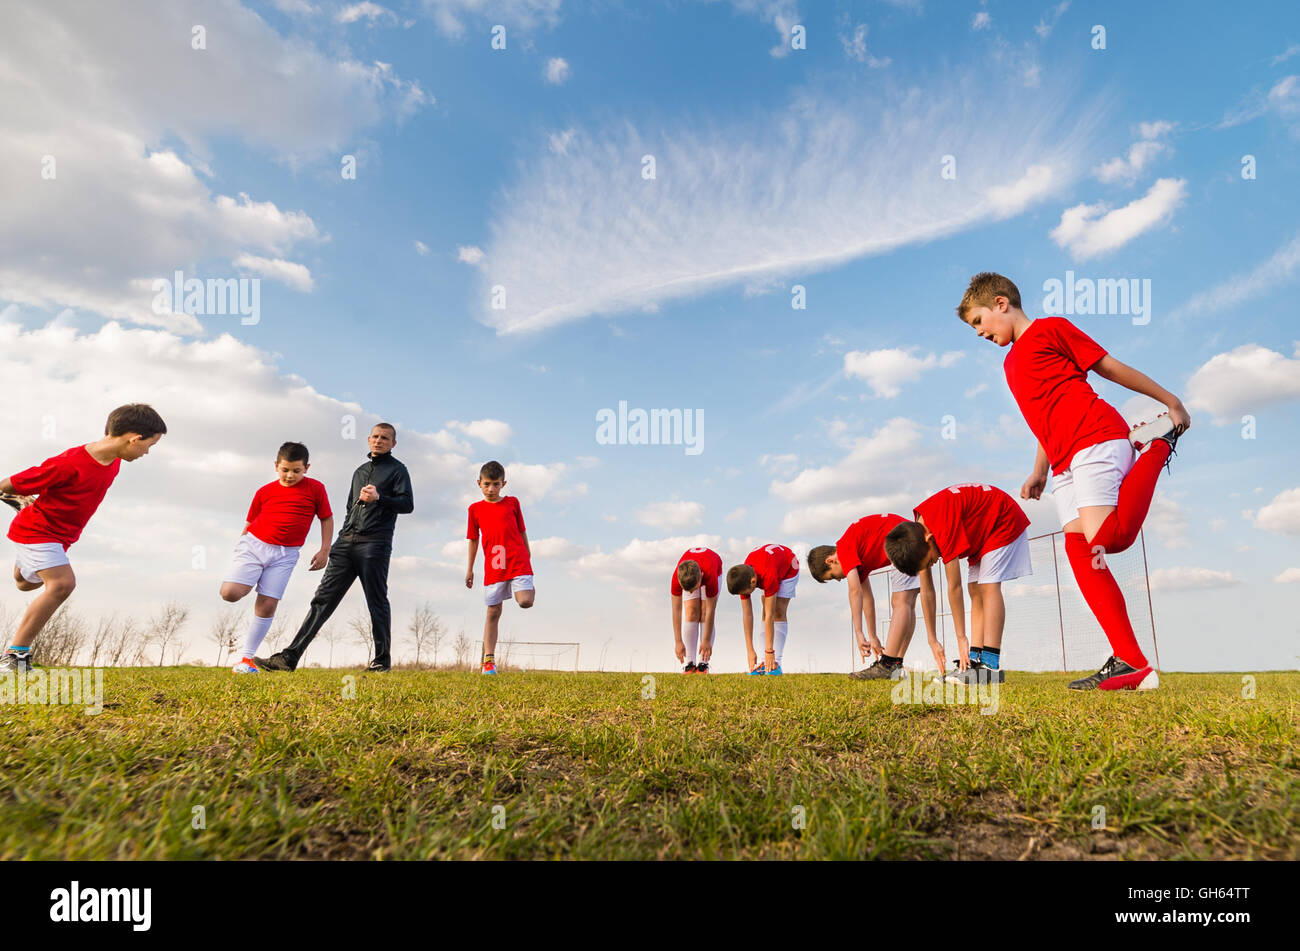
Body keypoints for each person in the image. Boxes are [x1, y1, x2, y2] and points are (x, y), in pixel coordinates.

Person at [956, 272, 1188, 690]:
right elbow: (1043, 418)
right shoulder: (1010, 364)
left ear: (1001, 303)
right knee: (1081, 550)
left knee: (1109, 539)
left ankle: (1156, 446)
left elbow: (1109, 368)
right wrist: (1039, 470)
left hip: (1096, 436)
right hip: (1063, 461)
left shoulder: (1051, 329)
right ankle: (1131, 662)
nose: (979, 332)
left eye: (978, 321)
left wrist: (1169, 401)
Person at [0, 403, 166, 672]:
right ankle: (15, 657)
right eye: (149, 445)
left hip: (61, 537)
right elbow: (7, 484)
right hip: (37, 531)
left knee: (24, 583)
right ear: (134, 439)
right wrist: (14, 498)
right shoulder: (69, 463)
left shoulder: (112, 462)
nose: (147, 452)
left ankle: (24, 567)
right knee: (62, 584)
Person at [257, 423, 412, 672]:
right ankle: (289, 658)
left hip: (375, 544)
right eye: (375, 436)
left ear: (393, 444)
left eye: (385, 438)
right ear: (368, 439)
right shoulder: (359, 471)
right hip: (345, 543)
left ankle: (381, 662)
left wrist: (380, 498)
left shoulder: (398, 470)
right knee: (322, 600)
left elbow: (407, 504)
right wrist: (340, 536)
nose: (379, 441)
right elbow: (351, 506)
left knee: (376, 601)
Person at [885, 483, 1032, 685]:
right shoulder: (917, 535)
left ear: (929, 539)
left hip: (1002, 519)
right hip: (982, 530)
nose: (933, 563)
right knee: (975, 590)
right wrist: (932, 639)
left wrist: (961, 637)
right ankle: (972, 662)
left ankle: (989, 665)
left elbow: (954, 586)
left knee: (987, 587)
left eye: (929, 561)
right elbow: (927, 592)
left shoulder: (940, 525)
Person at [220, 442, 332, 674]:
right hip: (254, 545)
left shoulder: (316, 489)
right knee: (229, 593)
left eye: (296, 471)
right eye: (285, 470)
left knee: (268, 603)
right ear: (276, 466)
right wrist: (241, 547)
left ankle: (246, 660)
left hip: (285, 554)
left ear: (306, 468)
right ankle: (252, 578)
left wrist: (325, 550)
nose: (290, 475)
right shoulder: (264, 491)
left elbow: (326, 518)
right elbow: (250, 522)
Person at [808, 514, 943, 680]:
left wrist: (858, 633)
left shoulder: (844, 549)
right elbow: (867, 598)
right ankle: (895, 664)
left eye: (832, 576)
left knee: (901, 602)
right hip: (909, 539)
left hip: (906, 542)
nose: (838, 579)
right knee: (907, 603)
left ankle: (887, 665)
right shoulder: (857, 559)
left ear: (831, 561)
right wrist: (872, 636)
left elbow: (855, 591)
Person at [465, 461, 533, 675]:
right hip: (495, 564)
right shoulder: (475, 509)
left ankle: (526, 587)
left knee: (525, 601)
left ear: (504, 484)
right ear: (479, 483)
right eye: (487, 484)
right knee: (493, 611)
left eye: (496, 484)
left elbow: (522, 530)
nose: (491, 489)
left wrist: (528, 554)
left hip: (518, 559)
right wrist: (470, 569)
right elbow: (473, 540)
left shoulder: (513, 503)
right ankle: (489, 661)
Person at [726, 543, 800, 675]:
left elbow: (771, 615)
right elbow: (747, 614)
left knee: (777, 611)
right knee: (764, 611)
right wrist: (750, 650)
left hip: (789, 566)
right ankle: (763, 663)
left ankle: (775, 664)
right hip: (769, 565)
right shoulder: (743, 576)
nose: (746, 595)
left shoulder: (768, 576)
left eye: (747, 592)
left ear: (754, 582)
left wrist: (770, 651)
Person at [670, 547, 722, 674]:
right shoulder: (676, 578)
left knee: (703, 611)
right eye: (688, 590)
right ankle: (689, 663)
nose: (692, 592)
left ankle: (703, 664)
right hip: (694, 573)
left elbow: (710, 610)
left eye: (695, 588)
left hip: (714, 566)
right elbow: (676, 610)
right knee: (691, 612)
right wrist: (678, 641)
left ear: (701, 578)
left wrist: (706, 640)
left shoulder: (709, 576)